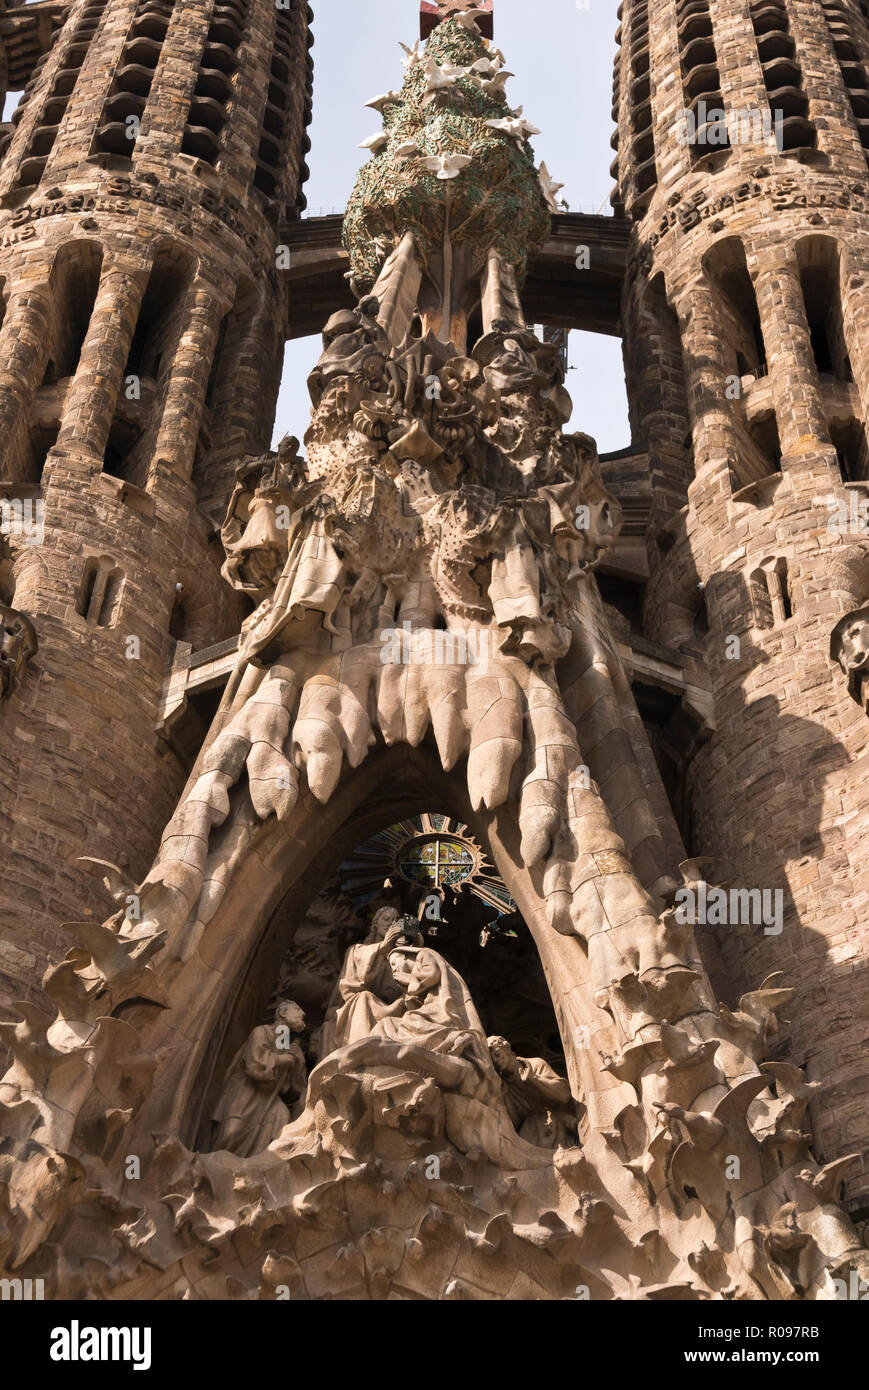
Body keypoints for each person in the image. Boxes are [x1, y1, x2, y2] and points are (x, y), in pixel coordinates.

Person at [212, 1000, 307, 1157]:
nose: (302, 1014)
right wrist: (285, 1060)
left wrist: (298, 1062)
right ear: (283, 1013)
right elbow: (256, 1065)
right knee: (232, 1132)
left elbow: (289, 1087)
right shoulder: (261, 1032)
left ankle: (256, 1166)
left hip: (268, 1097)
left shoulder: (283, 1039)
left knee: (281, 1115)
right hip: (247, 1090)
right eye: (297, 1009)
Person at [487, 1034, 577, 1149]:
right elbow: (512, 1125)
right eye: (492, 1060)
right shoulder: (504, 1087)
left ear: (507, 1049)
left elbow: (563, 1095)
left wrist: (533, 1079)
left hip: (559, 1124)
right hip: (530, 1133)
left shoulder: (535, 1065)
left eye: (497, 1054)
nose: (496, 1060)